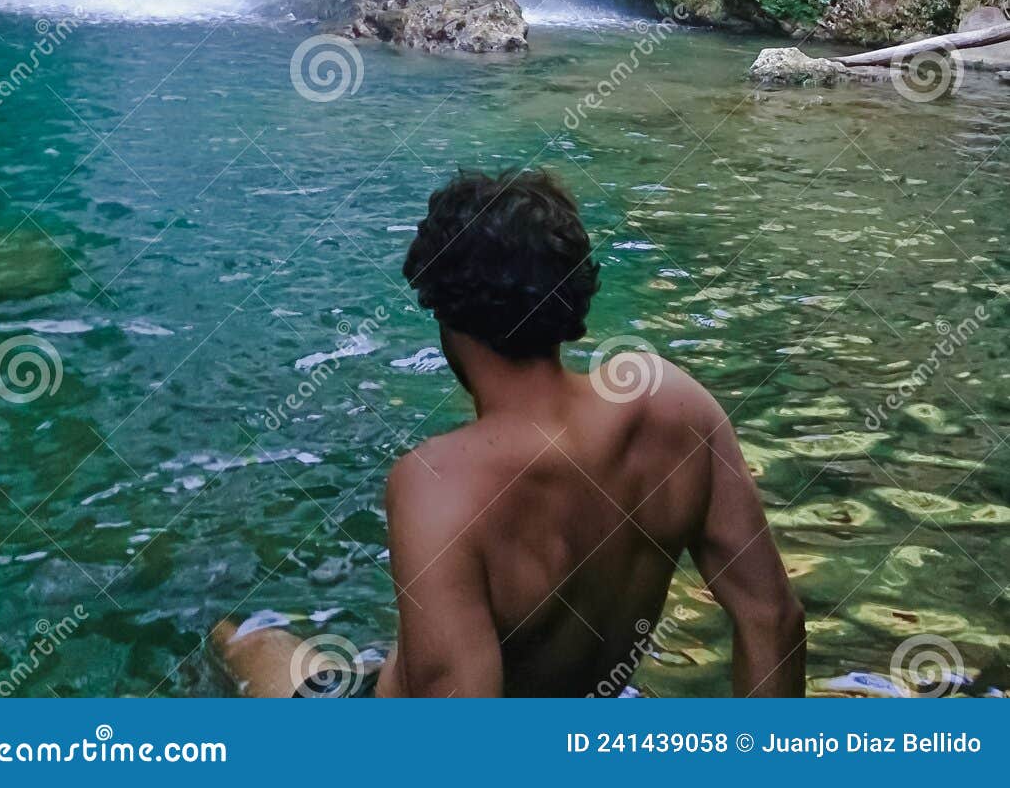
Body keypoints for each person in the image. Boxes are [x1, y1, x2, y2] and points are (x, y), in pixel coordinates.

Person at [214, 168, 805, 698]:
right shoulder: (673, 403)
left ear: (450, 321)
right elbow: (771, 619)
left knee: (236, 640)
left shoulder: (440, 484)